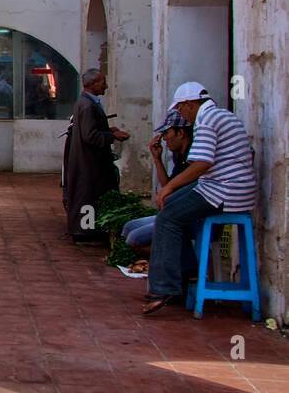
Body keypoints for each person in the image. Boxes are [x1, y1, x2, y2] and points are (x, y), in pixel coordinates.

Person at [143, 83, 257, 315]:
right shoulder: (222, 114)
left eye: (181, 109)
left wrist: (168, 188)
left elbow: (203, 164)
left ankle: (165, 288)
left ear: (190, 104)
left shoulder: (206, 120)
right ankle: (184, 276)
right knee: (172, 209)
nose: (181, 115)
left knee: (167, 216)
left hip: (226, 190)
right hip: (232, 187)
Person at [62, 69, 130, 243]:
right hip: (89, 161)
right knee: (87, 197)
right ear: (92, 84)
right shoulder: (87, 105)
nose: (105, 86)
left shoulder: (87, 103)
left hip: (89, 160)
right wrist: (112, 136)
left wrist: (107, 131)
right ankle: (85, 233)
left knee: (89, 196)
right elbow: (90, 135)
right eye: (102, 82)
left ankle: (88, 231)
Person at [121, 110, 193, 250]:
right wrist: (157, 159)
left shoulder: (194, 156)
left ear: (180, 133)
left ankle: (175, 266)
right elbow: (168, 185)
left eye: (166, 133)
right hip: (172, 212)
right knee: (128, 228)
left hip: (184, 215)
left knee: (134, 238)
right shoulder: (179, 156)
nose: (164, 139)